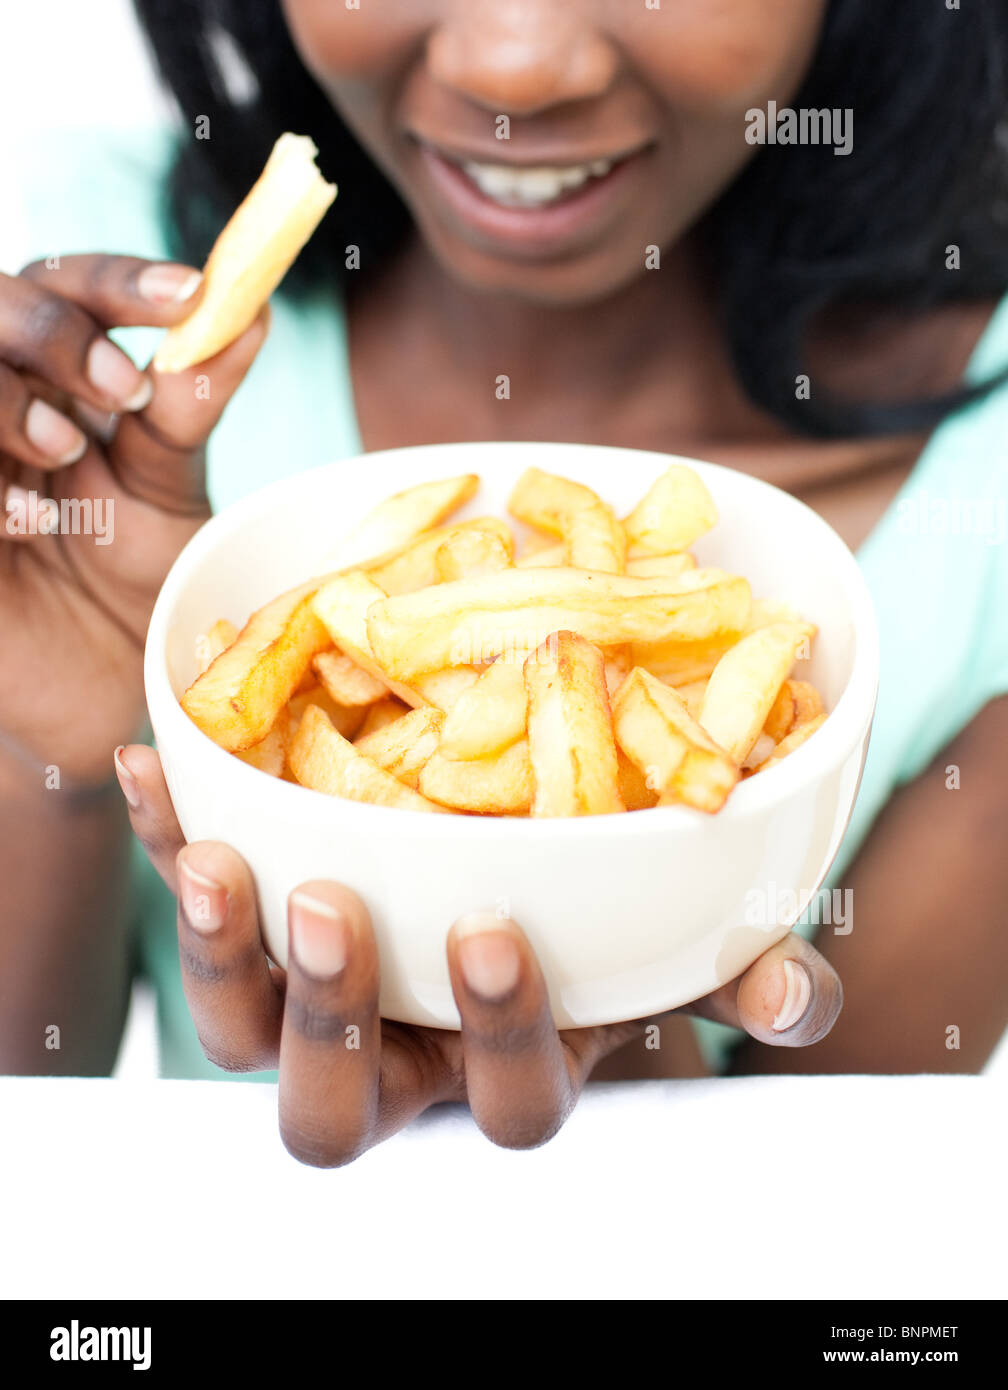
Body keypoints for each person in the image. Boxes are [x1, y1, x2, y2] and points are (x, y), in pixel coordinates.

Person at [3, 0, 1006, 1165]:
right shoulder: (88, 332)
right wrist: (48, 760)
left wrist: (613, 993)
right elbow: (33, 1145)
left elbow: (840, 1272)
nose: (515, 63)